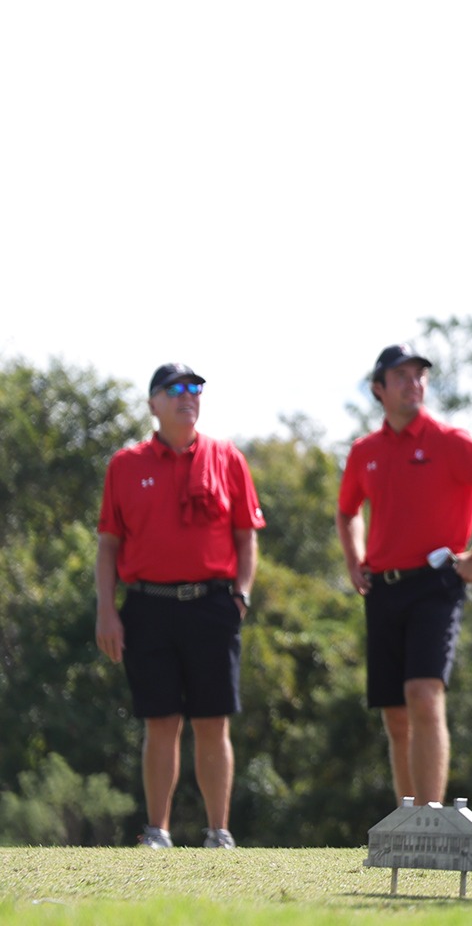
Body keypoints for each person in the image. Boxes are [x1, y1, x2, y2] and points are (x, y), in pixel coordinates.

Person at [337, 343, 472, 806]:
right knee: (396, 715)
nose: (414, 383)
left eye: (419, 375)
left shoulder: (448, 441)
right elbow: (347, 511)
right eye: (401, 377)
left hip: (434, 584)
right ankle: (409, 822)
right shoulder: (366, 451)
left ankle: (430, 816)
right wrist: (354, 557)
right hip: (383, 589)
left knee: (423, 693)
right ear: (378, 389)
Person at [94, 363, 265, 850]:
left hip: (212, 604)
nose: (187, 396)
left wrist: (242, 594)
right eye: (175, 390)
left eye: (194, 389)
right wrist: (107, 610)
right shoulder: (125, 465)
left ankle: (218, 832)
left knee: (213, 721)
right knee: (160, 721)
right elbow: (108, 545)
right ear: (153, 403)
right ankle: (157, 831)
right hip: (147, 605)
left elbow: (245, 536)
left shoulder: (227, 457)